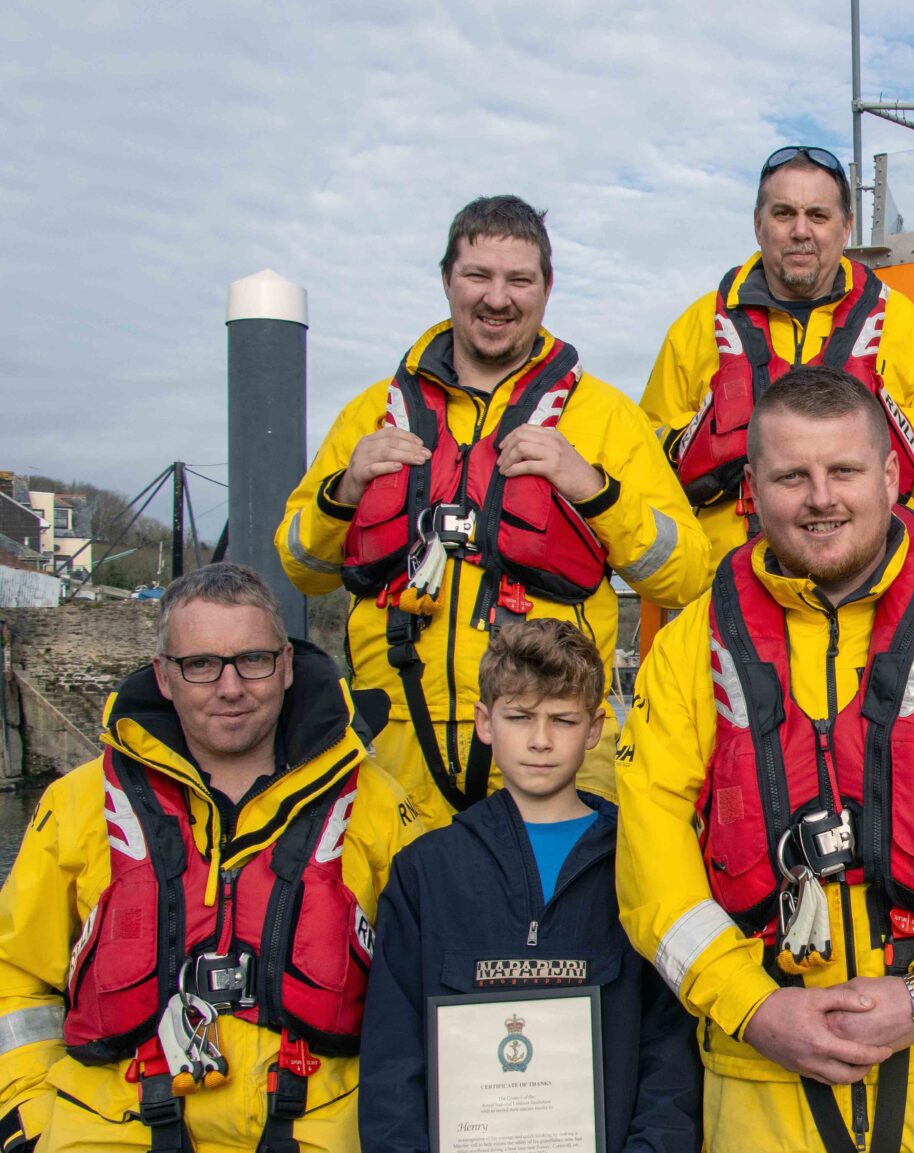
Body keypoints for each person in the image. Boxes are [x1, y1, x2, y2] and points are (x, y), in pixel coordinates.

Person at [616, 366, 914, 1153]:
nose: (820, 497)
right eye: (791, 475)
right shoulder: (688, 647)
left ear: (892, 475)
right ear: (753, 489)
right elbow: (650, 860)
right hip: (762, 1082)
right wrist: (754, 1007)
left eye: (844, 470)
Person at [277, 195, 708, 827]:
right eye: (478, 275)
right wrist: (343, 492)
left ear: (547, 288)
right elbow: (300, 566)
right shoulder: (372, 412)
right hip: (397, 744)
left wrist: (594, 489)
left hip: (552, 741)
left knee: (571, 920)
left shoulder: (608, 417)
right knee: (401, 920)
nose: (497, 298)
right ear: (447, 279)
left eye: (519, 280)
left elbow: (687, 573)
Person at [0, 564, 419, 1153]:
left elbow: (427, 973)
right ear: (164, 677)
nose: (230, 687)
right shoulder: (75, 805)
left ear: (288, 665)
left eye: (253, 659)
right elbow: (14, 979)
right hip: (106, 1128)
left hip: (319, 1126)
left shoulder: (374, 803)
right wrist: (26, 1115)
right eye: (200, 664)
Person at [360, 618, 700, 1153]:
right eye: (519, 717)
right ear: (484, 722)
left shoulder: (642, 862)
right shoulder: (425, 872)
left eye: (563, 720)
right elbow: (392, 1061)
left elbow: (669, 1055)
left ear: (595, 728)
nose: (540, 741)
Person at [642, 145, 914, 573]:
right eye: (783, 214)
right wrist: (709, 435)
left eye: (818, 215)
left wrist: (885, 421)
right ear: (759, 225)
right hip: (729, 582)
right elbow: (648, 461)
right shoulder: (698, 326)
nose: (801, 231)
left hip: (869, 581)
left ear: (846, 227)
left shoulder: (899, 322)